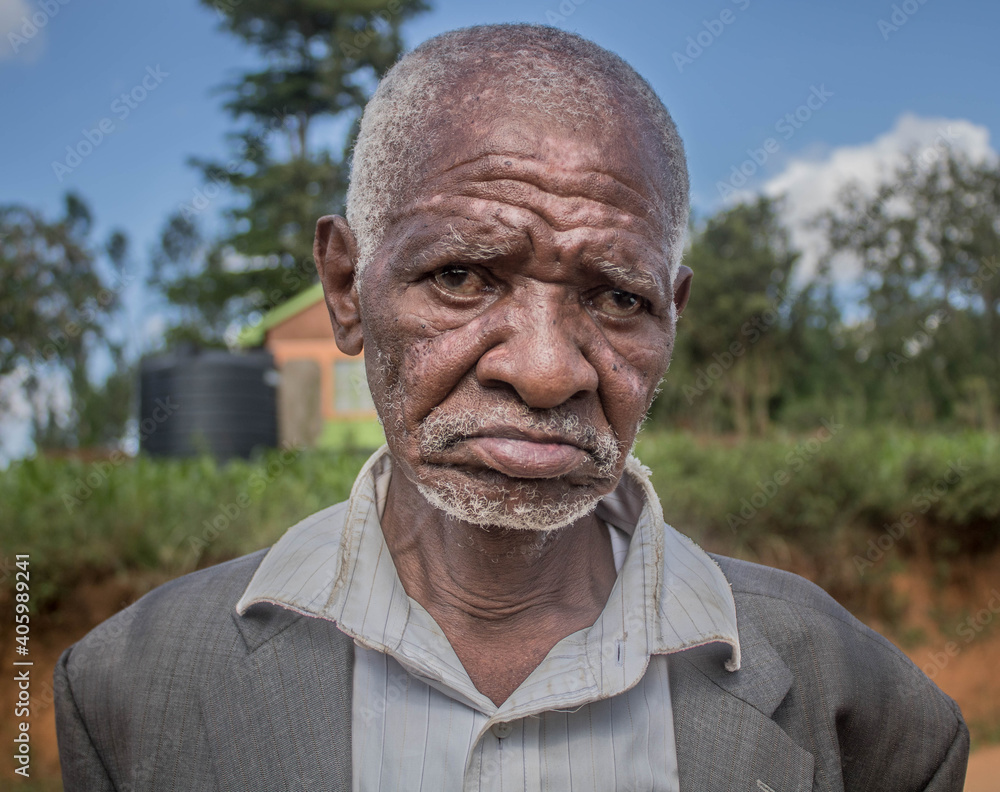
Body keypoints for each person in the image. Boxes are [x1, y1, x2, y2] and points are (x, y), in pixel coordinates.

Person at [55, 24, 968, 791]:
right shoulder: (128, 696)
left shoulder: (857, 704)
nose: (545, 371)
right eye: (459, 276)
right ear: (345, 288)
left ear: (672, 318)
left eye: (617, 298)